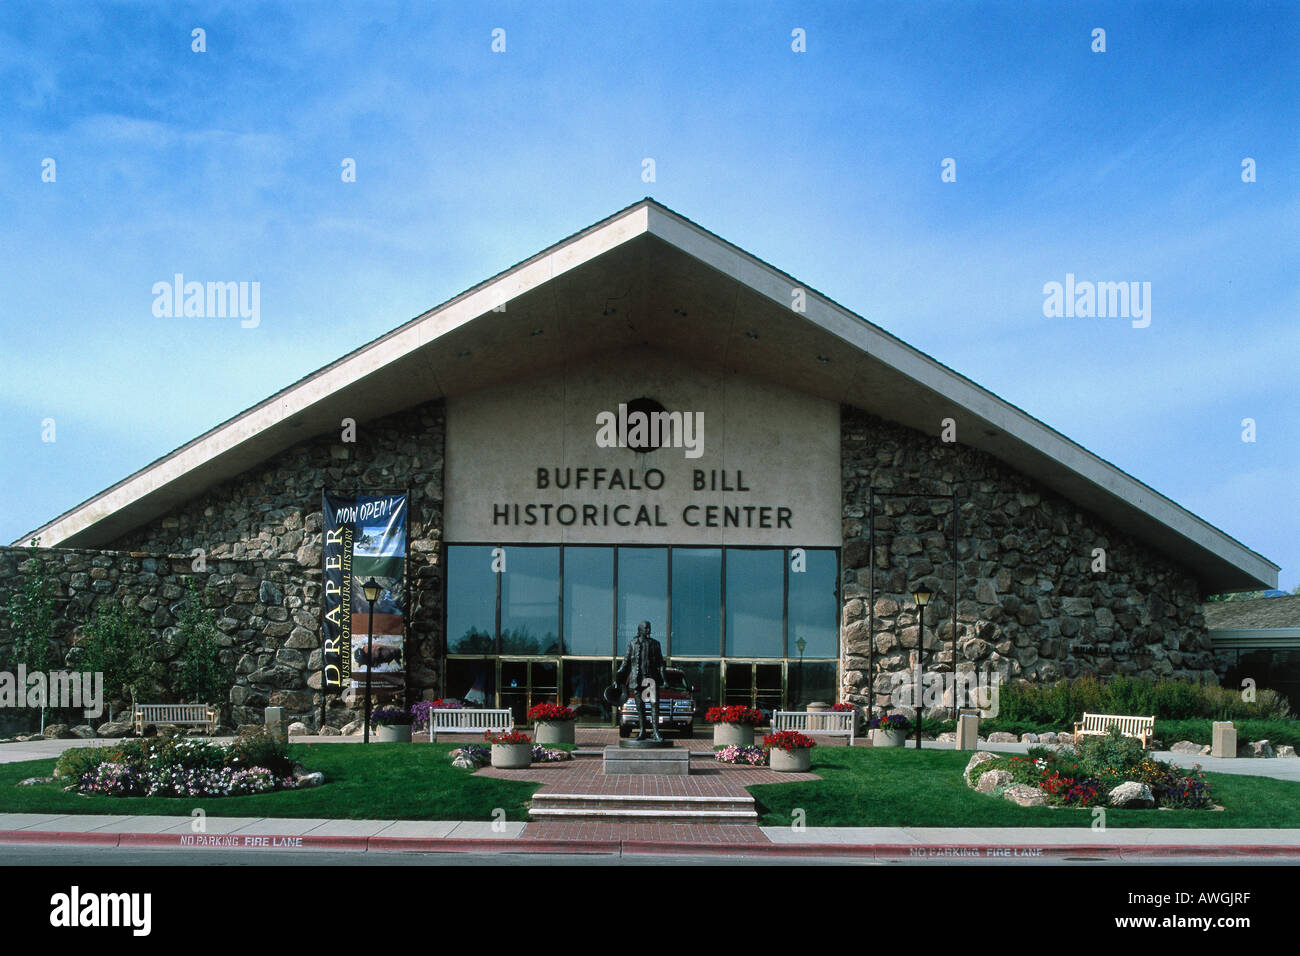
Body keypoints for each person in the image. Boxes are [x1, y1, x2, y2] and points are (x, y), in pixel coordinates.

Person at [616, 620, 666, 740]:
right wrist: (618, 676)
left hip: (651, 679)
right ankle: (642, 731)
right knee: (640, 706)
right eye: (646, 628)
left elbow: (661, 663)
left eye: (649, 628)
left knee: (654, 705)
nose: (648, 630)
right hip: (637, 679)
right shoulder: (632, 644)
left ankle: (655, 732)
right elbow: (626, 662)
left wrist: (664, 679)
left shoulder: (655, 644)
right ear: (640, 630)